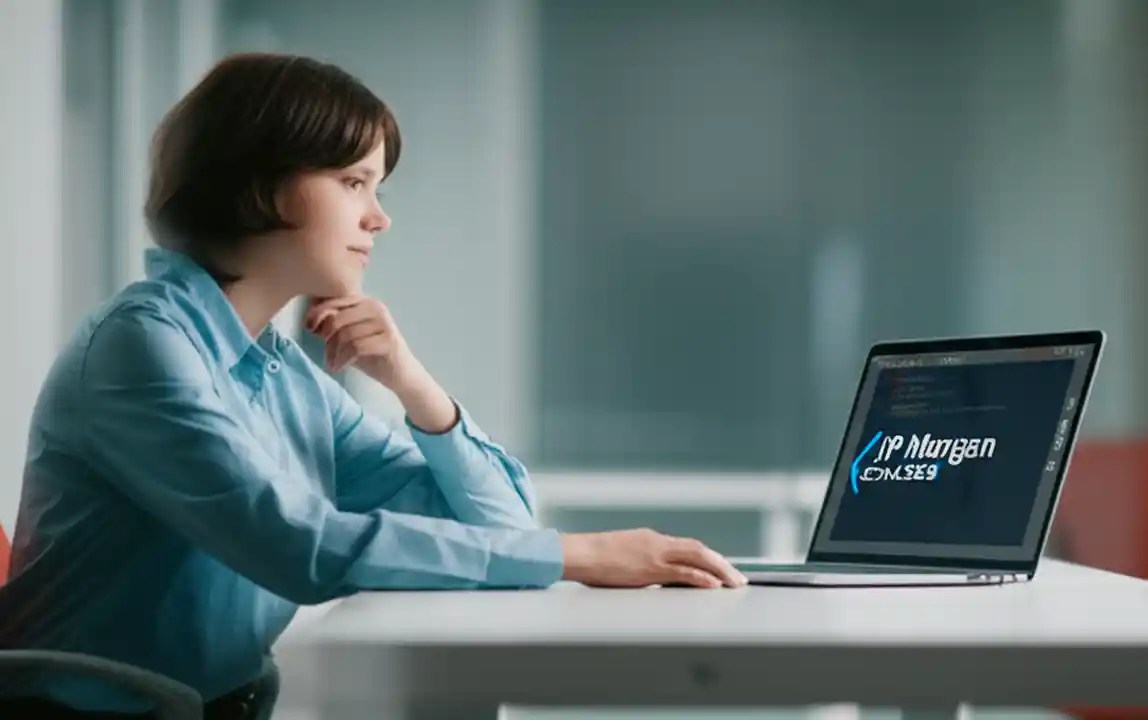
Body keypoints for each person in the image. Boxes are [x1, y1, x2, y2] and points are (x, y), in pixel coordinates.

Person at [0, 52, 747, 718]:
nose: (378, 217)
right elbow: (301, 546)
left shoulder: (281, 371)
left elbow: (501, 525)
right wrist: (583, 556)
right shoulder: (143, 349)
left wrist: (413, 386)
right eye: (354, 181)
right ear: (260, 184)